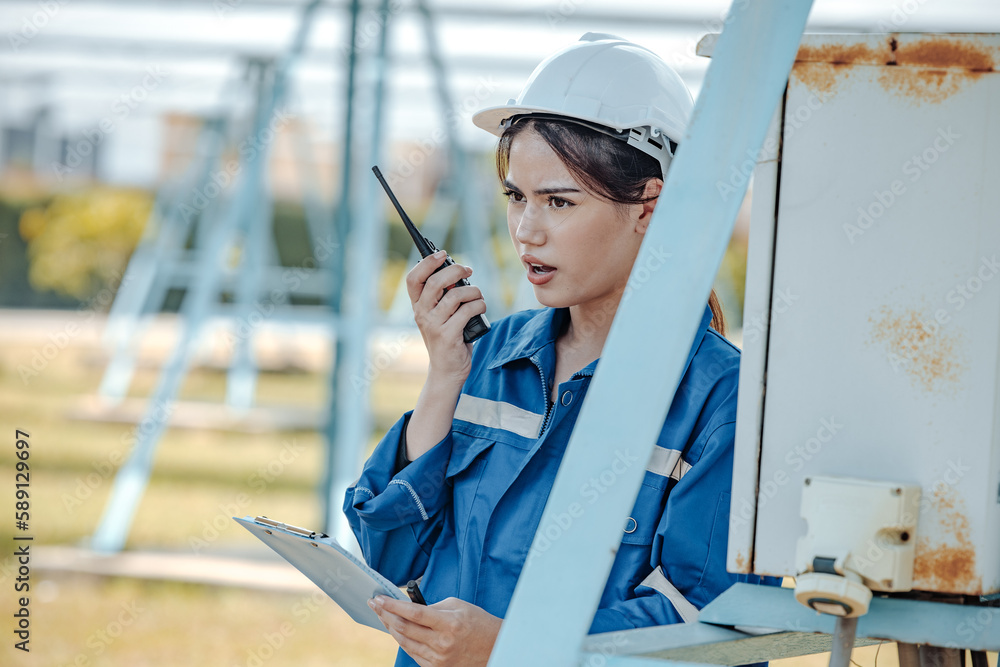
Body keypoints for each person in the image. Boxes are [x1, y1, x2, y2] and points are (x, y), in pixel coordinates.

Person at [344, 33, 778, 667]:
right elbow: (391, 556)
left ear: (650, 209)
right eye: (517, 197)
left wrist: (511, 650)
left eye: (559, 202)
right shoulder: (489, 359)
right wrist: (445, 374)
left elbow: (708, 629)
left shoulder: (726, 404)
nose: (527, 230)